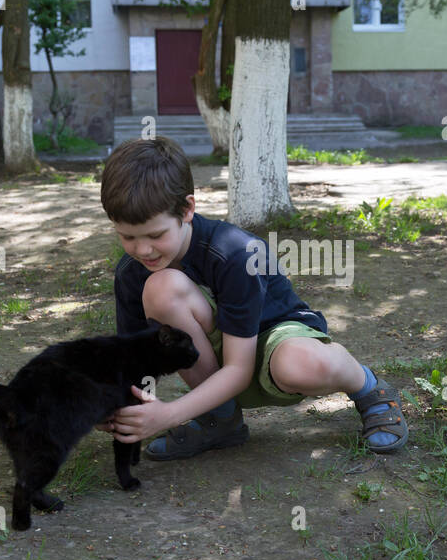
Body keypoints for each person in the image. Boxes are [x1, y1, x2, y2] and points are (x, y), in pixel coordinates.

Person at [97, 136, 408, 458]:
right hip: (217, 358)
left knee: (301, 365)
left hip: (275, 340)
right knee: (162, 289)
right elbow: (137, 360)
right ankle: (220, 420)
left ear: (187, 209)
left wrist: (169, 414)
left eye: (156, 235)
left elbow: (239, 370)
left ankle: (370, 389)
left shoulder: (236, 252)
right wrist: (122, 402)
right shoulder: (132, 273)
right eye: (127, 237)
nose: (142, 249)